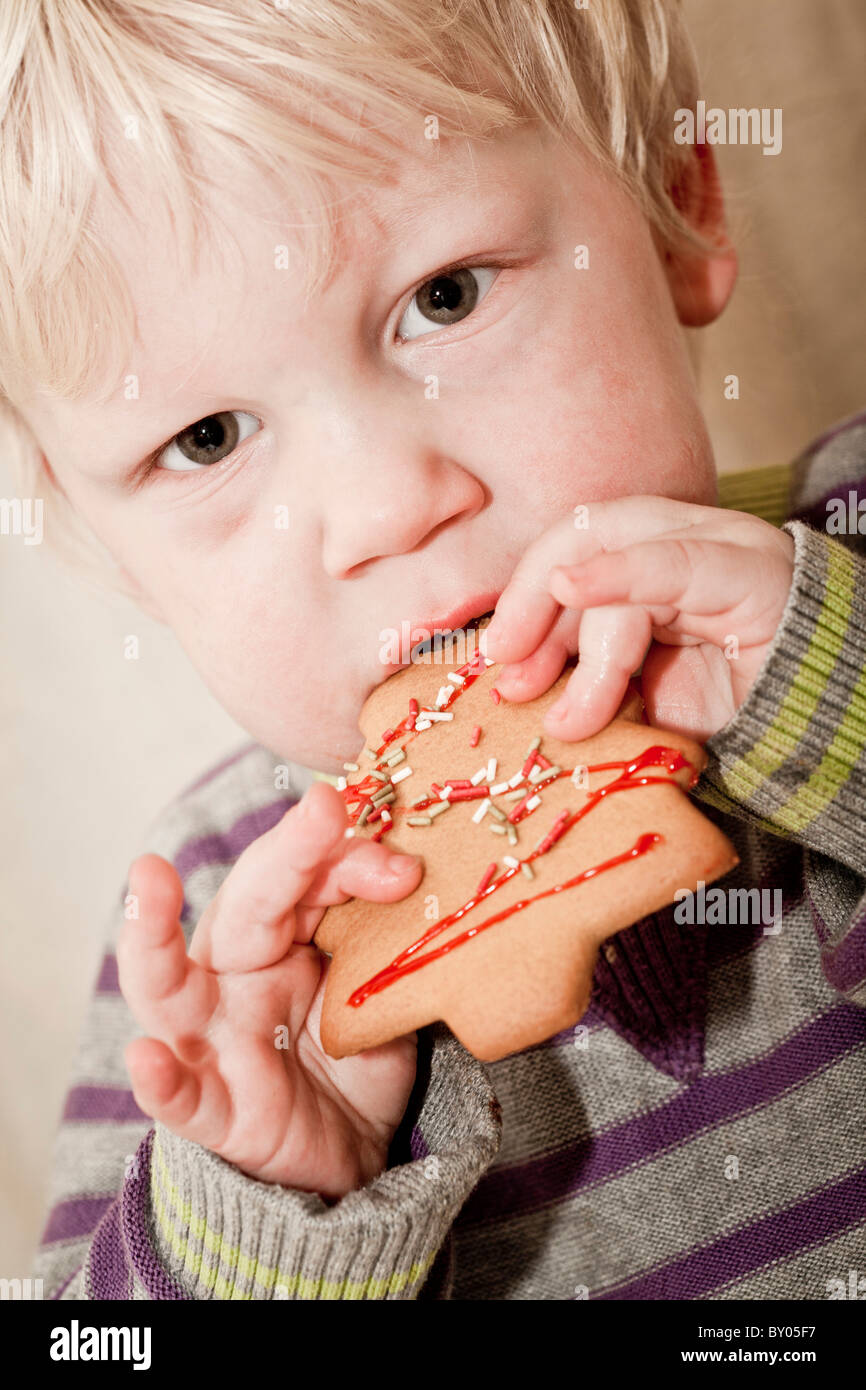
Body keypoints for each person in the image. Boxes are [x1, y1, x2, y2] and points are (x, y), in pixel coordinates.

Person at [4, 1, 862, 1299]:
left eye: (442, 298)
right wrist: (267, 1212)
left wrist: (827, 688)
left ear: (677, 206)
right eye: (209, 439)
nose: (384, 507)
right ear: (114, 551)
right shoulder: (217, 944)